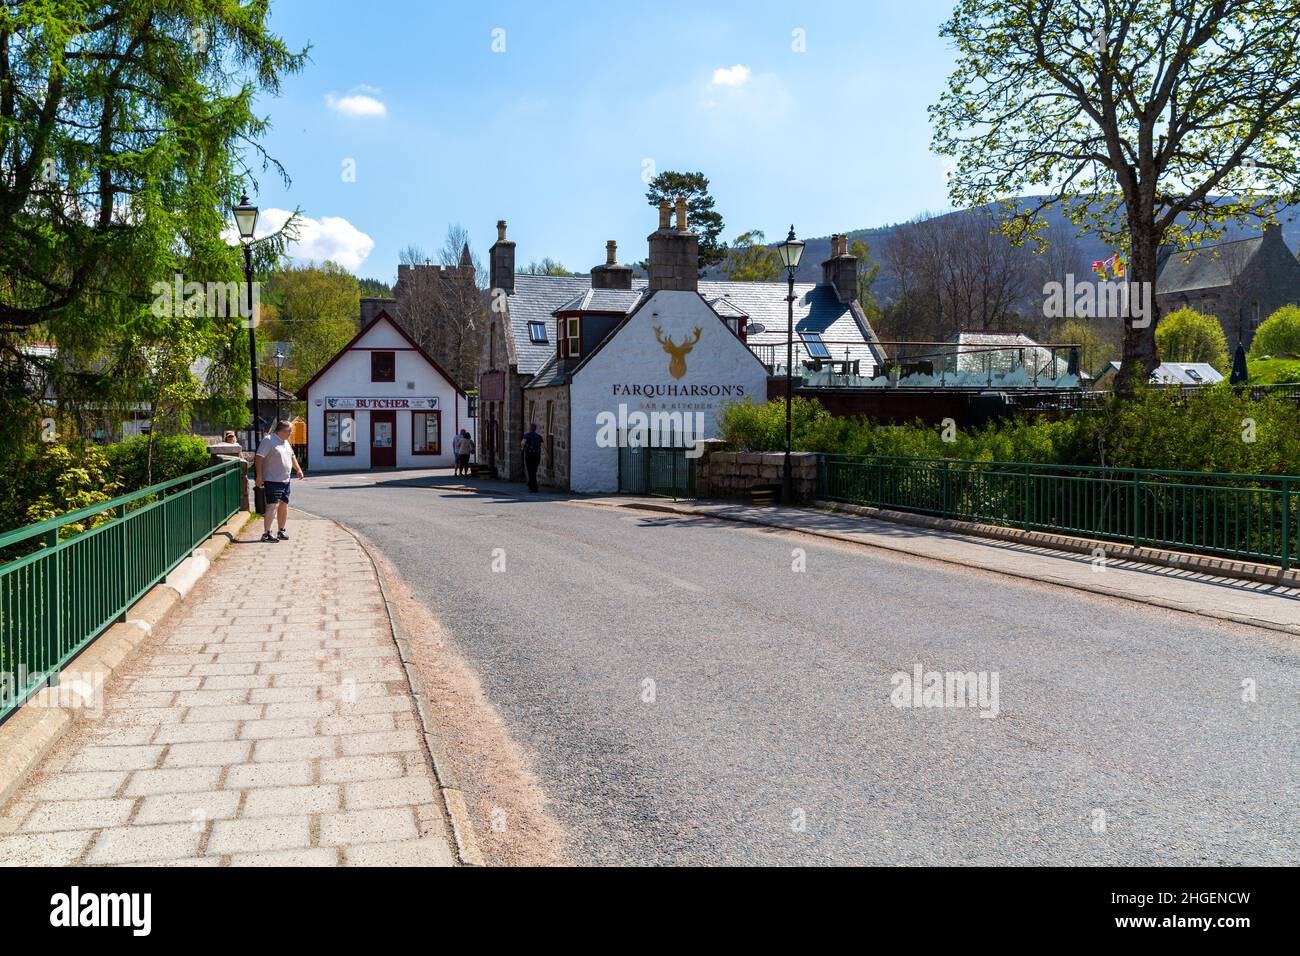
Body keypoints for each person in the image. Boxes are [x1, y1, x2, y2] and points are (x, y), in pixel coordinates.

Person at [255, 420, 304, 543]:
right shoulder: (269, 440)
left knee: (284, 504)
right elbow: (259, 458)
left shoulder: (285, 442)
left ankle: (281, 530)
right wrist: (259, 476)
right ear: (281, 431)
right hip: (272, 479)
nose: (290, 433)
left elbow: (292, 456)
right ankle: (266, 533)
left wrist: (298, 469)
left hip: (285, 479)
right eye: (289, 431)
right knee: (272, 506)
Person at [521, 423, 543, 492]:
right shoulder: (539, 436)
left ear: (530, 428)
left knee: (530, 471)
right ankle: (532, 485)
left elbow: (523, 443)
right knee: (534, 470)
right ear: (535, 429)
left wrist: (522, 448)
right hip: (537, 455)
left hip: (529, 455)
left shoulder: (527, 435)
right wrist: (548, 456)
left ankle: (533, 487)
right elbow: (543, 446)